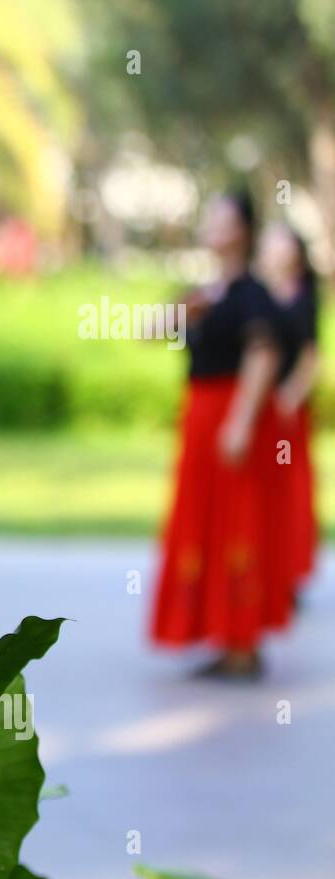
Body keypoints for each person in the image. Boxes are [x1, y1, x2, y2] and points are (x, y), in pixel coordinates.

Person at [151, 192, 291, 679]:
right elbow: (149, 331)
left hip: (232, 414)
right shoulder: (204, 292)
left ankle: (243, 643)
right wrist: (182, 312)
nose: (212, 226)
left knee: (237, 521)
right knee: (202, 522)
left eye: (222, 219)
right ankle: (221, 635)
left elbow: (264, 356)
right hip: (200, 413)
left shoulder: (251, 292)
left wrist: (242, 421)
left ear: (243, 231)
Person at [258, 222, 321, 594]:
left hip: (287, 413)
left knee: (289, 490)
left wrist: (290, 396)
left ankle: (290, 571)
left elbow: (311, 356)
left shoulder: (303, 296)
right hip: (260, 409)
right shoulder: (259, 294)